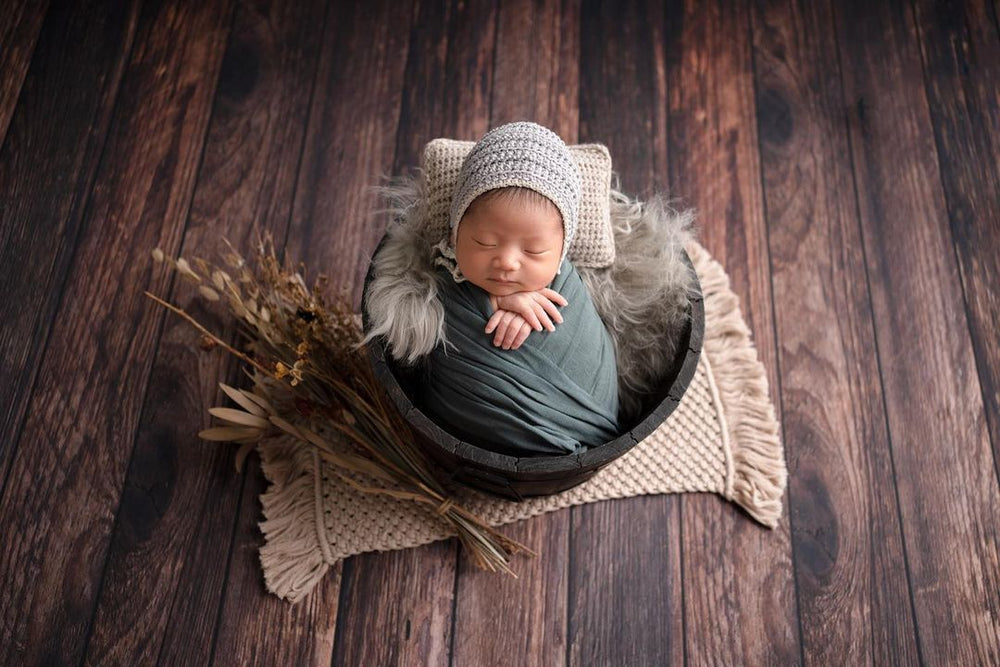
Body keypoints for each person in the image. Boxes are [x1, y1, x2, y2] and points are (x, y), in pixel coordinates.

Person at [421, 121, 620, 457]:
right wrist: (496, 301)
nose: (507, 262)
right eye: (484, 242)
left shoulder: (569, 283)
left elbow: (584, 333)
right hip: (461, 437)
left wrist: (532, 314)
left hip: (584, 432)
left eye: (533, 252)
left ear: (560, 254)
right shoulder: (436, 280)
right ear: (456, 233)